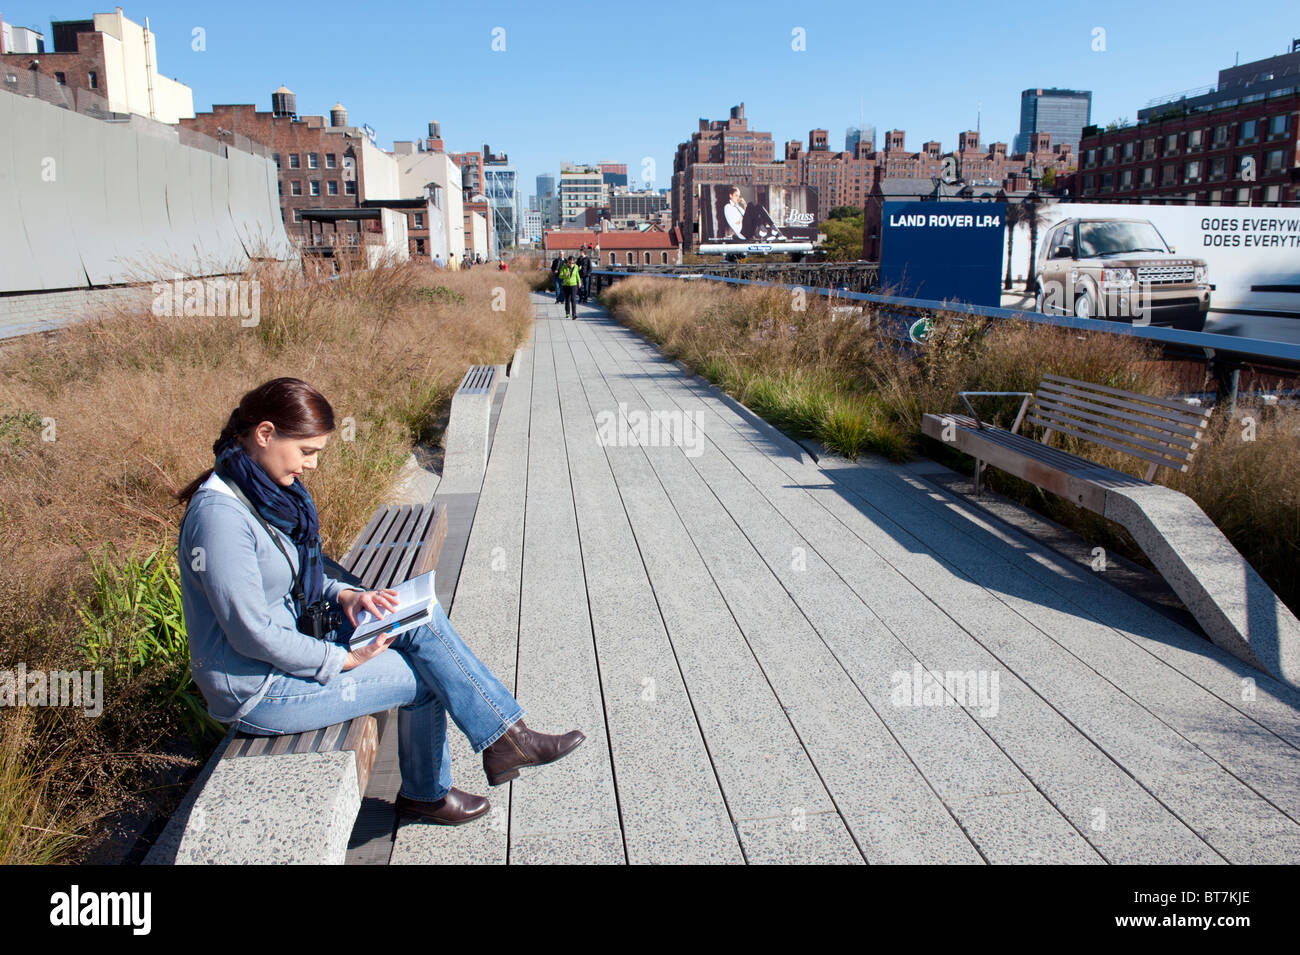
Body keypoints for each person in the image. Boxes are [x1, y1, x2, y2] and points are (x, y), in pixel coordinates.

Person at [174, 378, 585, 825]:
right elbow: (252, 634)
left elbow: (289, 571)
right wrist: (343, 659)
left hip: (293, 645)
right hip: (261, 690)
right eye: (307, 451)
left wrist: (347, 594)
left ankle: (507, 737)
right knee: (424, 678)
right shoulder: (219, 519)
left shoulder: (256, 489)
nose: (311, 465)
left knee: (415, 619)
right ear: (266, 434)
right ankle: (432, 791)